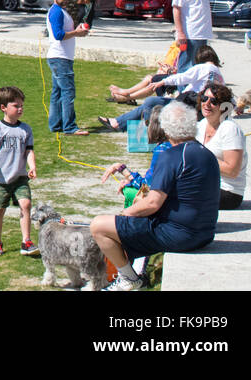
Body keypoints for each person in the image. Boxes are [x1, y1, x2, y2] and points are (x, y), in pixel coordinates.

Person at [91, 101, 219, 290]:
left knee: (99, 226)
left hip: (180, 234)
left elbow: (152, 203)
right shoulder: (206, 154)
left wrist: (124, 214)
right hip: (205, 233)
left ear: (166, 129)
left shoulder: (171, 156)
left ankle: (130, 279)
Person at [99, 45, 223, 132]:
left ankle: (151, 134)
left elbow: (182, 78)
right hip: (194, 106)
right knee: (151, 103)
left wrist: (163, 82)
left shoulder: (203, 68)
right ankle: (118, 122)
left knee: (150, 102)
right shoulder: (219, 75)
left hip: (187, 106)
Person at [0, 86, 39, 257]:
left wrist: (32, 166)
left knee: (26, 204)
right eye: (16, 105)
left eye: (22, 105)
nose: (20, 109)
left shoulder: (26, 129)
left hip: (20, 176)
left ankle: (26, 241)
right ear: (3, 108)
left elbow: (29, 151)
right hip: (1, 179)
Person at [45, 0, 90, 135]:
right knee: (68, 92)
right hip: (60, 57)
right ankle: (69, 127)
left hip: (60, 57)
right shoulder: (56, 11)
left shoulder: (61, 11)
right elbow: (59, 35)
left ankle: (56, 124)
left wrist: (77, 31)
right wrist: (77, 33)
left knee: (57, 92)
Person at [197, 84, 248, 210]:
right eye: (204, 98)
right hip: (204, 184)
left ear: (224, 107)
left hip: (228, 191)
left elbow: (232, 170)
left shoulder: (230, 129)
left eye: (214, 101)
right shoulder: (200, 125)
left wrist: (201, 158)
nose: (207, 104)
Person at [172, 0, 213, 70]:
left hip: (202, 33)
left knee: (198, 66)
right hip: (191, 34)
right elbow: (176, 9)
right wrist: (180, 32)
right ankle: (183, 88)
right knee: (186, 66)